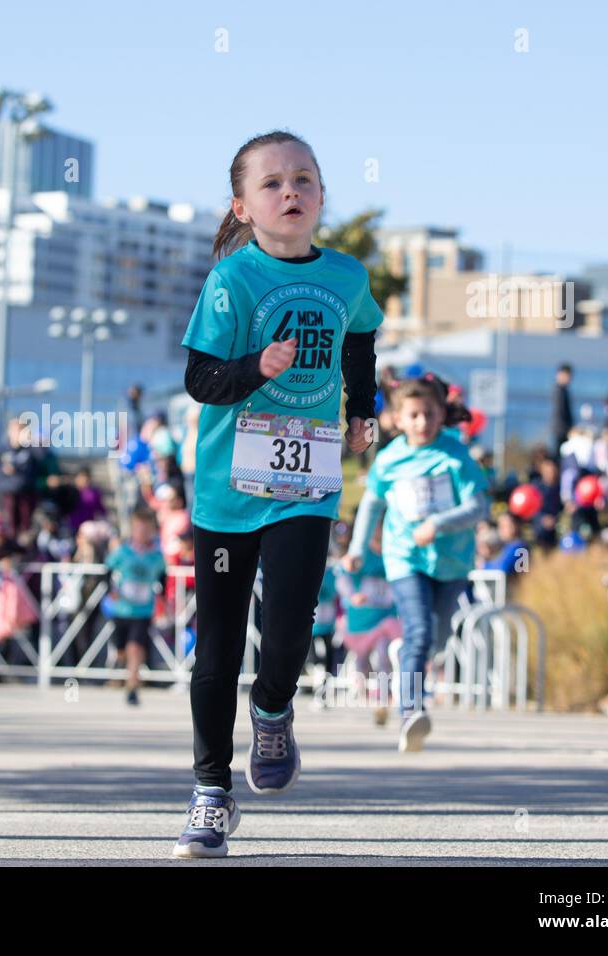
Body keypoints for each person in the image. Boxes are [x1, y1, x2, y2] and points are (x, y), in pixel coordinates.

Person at [172, 130, 382, 859]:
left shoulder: (348, 277)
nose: (290, 192)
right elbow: (201, 381)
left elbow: (359, 341)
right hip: (229, 486)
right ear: (243, 206)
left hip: (307, 481)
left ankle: (273, 710)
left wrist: (362, 410)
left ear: (321, 197)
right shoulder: (232, 282)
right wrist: (258, 366)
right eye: (272, 184)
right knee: (218, 650)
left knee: (291, 621)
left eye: (304, 180)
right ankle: (209, 793)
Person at [343, 377, 490, 752]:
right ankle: (412, 712)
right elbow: (372, 506)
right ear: (397, 419)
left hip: (452, 561)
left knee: (435, 641)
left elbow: (479, 507)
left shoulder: (455, 456)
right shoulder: (390, 460)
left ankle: (403, 655)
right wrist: (358, 548)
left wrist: (438, 524)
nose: (422, 422)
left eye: (429, 414)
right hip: (405, 557)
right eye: (414, 415)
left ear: (441, 414)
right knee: (421, 630)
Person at [335, 517, 401, 726]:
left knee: (384, 654)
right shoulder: (360, 554)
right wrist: (352, 595)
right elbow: (342, 577)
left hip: (385, 617)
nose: (378, 534)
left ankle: (382, 699)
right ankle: (361, 691)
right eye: (375, 529)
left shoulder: (393, 553)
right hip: (362, 618)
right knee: (362, 660)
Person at [104, 508, 168, 708]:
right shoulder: (123, 552)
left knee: (135, 648)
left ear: (152, 532)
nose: (142, 534)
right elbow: (107, 569)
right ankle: (120, 661)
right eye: (138, 529)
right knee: (121, 649)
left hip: (142, 611)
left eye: (146, 530)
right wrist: (111, 590)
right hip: (121, 609)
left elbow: (162, 578)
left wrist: (162, 601)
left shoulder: (157, 557)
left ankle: (132, 688)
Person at [550, 363, 574, 458]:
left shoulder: (563, 390)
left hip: (561, 429)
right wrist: (567, 430)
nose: (570, 379)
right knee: (558, 457)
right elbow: (559, 413)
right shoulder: (558, 391)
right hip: (560, 430)